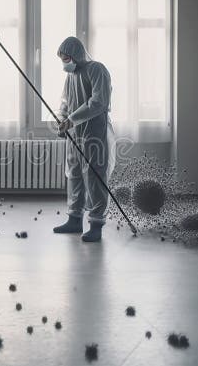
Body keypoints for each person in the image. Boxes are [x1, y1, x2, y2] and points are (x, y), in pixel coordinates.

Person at [52, 36, 116, 242]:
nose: (65, 63)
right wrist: (62, 119)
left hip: (94, 134)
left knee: (95, 177)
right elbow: (64, 102)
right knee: (75, 176)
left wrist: (71, 119)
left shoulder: (97, 70)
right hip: (75, 136)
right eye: (62, 59)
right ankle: (74, 219)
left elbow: (98, 102)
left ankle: (96, 224)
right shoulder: (70, 77)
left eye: (67, 58)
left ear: (76, 55)